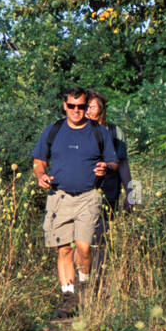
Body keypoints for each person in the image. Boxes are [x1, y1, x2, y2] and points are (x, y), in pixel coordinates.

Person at [31, 87, 118, 318]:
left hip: (89, 196)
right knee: (63, 250)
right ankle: (69, 297)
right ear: (65, 106)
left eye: (81, 106)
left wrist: (106, 167)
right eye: (72, 106)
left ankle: (85, 285)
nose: (77, 111)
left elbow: (114, 162)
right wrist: (41, 175)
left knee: (84, 247)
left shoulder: (99, 132)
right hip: (59, 197)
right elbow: (39, 160)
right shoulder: (53, 130)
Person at [85, 90, 134, 278]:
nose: (88, 111)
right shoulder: (77, 130)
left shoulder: (115, 132)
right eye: (85, 106)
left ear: (102, 109)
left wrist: (132, 195)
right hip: (82, 191)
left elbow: (124, 164)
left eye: (92, 107)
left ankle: (98, 281)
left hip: (108, 191)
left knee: (100, 236)